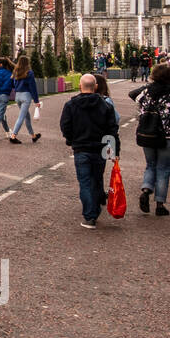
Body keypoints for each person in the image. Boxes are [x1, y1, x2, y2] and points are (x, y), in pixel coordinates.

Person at [60, 74, 120, 229]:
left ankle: (90, 215)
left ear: (80, 86)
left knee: (85, 182)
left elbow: (65, 126)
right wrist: (114, 150)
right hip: (99, 148)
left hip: (81, 148)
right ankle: (94, 208)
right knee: (96, 178)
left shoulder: (71, 105)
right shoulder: (106, 106)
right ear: (95, 87)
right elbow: (112, 130)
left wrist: (71, 140)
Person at [130, 63, 170, 216]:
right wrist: (166, 117)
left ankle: (146, 190)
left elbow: (138, 112)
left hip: (147, 134)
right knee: (164, 169)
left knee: (150, 165)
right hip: (167, 136)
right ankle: (160, 204)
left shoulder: (145, 93)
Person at [8, 55, 41, 144]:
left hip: (17, 96)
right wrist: (36, 101)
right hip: (26, 96)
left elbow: (13, 84)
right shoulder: (29, 73)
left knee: (27, 117)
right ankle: (13, 136)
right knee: (21, 117)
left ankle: (33, 136)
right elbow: (32, 87)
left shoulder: (16, 72)